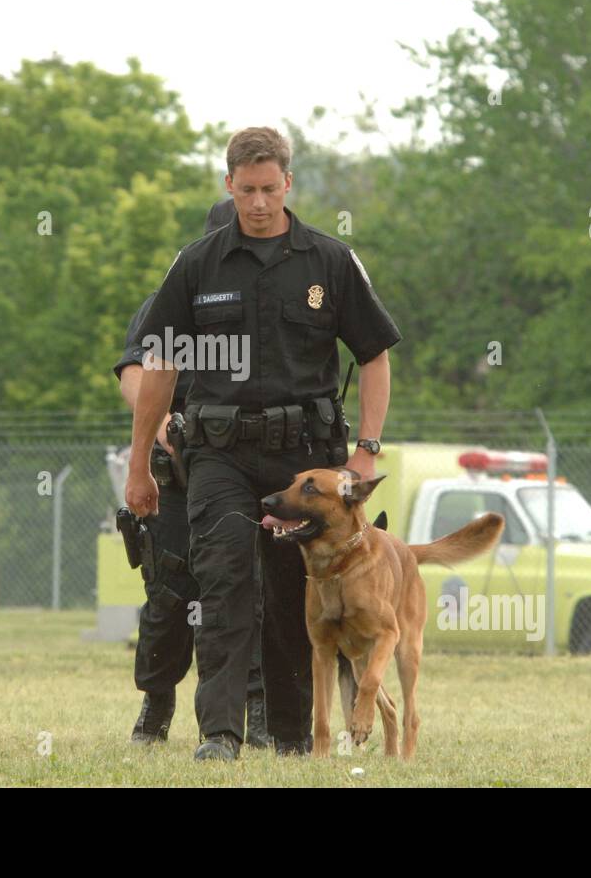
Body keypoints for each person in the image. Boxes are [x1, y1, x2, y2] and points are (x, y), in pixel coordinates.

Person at [125, 126, 401, 760]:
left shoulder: (329, 261)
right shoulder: (197, 264)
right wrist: (141, 463)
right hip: (218, 454)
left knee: (294, 593)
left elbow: (376, 356)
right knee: (223, 585)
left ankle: (292, 735)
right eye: (245, 190)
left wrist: (368, 448)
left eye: (269, 189)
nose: (257, 202)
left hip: (303, 457)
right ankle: (220, 735)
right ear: (228, 185)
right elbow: (159, 363)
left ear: (289, 183)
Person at [113, 197, 268, 748]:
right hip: (179, 468)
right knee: (171, 592)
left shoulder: (276, 300)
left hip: (248, 468)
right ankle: (157, 703)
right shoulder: (178, 296)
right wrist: (154, 425)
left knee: (253, 590)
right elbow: (135, 370)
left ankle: (259, 711)